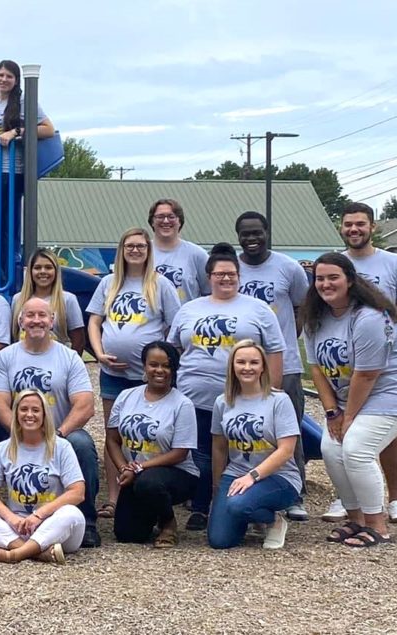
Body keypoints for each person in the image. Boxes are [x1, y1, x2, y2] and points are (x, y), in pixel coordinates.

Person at [303, 253, 397, 547]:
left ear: (349, 280)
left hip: (394, 390)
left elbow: (367, 374)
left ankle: (377, 525)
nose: (325, 284)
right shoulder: (314, 317)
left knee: (356, 447)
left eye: (333, 277)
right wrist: (332, 413)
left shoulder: (370, 316)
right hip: (351, 395)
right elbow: (316, 369)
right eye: (320, 278)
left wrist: (348, 418)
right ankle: (355, 518)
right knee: (330, 448)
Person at [167, 243, 284, 532]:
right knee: (202, 455)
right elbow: (174, 349)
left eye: (231, 273)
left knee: (241, 452)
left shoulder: (258, 309)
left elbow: (274, 352)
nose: (226, 278)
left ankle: (249, 506)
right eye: (219, 274)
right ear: (209, 277)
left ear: (239, 276)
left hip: (242, 399)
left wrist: (271, 392)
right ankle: (201, 506)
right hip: (195, 397)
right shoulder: (189, 309)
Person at [0, 295, 101, 548]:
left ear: (52, 321)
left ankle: (87, 521)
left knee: (82, 444)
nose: (36, 320)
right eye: (30, 315)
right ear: (20, 321)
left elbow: (85, 405)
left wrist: (56, 436)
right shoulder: (5, 357)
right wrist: (23, 436)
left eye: (42, 315)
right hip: (18, 432)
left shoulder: (69, 357)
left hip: (61, 433)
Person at [86, 229, 181, 514]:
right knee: (114, 434)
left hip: (149, 377)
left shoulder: (161, 284)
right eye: (130, 245)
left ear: (148, 250)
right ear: (121, 249)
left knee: (147, 434)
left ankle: (147, 494)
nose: (135, 250)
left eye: (141, 246)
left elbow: (175, 326)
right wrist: (99, 353)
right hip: (113, 373)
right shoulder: (109, 282)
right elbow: (94, 321)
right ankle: (115, 498)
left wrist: (160, 359)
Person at [337, 202, 397, 524]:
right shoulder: (335, 261)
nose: (354, 229)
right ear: (341, 228)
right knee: (346, 428)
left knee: (386, 435)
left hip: (388, 359)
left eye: (360, 224)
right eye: (348, 224)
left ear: (372, 227)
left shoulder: (394, 263)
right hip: (348, 360)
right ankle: (349, 497)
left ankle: (396, 499)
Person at [234, 210, 311, 520]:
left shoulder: (289, 268)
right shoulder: (231, 268)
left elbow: (302, 305)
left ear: (267, 233)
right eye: (245, 234)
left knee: (288, 429)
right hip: (241, 365)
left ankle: (294, 494)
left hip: (284, 364)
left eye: (257, 232)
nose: (252, 238)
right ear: (238, 237)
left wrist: (290, 336)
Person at [0, 390, 85, 563]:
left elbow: (77, 492)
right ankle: (36, 552)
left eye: (36, 410)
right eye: (24, 409)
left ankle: (14, 554)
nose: (29, 414)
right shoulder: (4, 448)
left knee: (72, 513)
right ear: (16, 413)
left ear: (44, 414)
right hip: (18, 528)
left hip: (54, 527)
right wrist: (11, 518)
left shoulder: (62, 447)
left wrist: (39, 515)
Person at [207, 342, 301, 550]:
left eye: (254, 362)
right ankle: (250, 514)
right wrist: (217, 486)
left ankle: (273, 520)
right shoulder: (223, 402)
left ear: (263, 367)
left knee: (238, 505)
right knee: (219, 540)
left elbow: (286, 450)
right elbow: (219, 447)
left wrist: (252, 477)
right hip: (236, 473)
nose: (247, 367)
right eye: (241, 362)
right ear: (232, 366)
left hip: (279, 476)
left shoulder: (279, 400)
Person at [105, 342, 198, 547]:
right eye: (153, 364)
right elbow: (112, 439)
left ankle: (168, 522)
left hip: (177, 473)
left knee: (148, 483)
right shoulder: (126, 396)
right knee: (127, 534)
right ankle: (154, 511)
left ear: (174, 369)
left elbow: (180, 453)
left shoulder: (183, 404)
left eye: (166, 366)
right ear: (144, 366)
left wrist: (139, 467)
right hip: (136, 474)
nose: (159, 370)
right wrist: (124, 467)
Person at [0, 60, 56, 276]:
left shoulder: (23, 102)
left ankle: (5, 274)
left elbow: (48, 129)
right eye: (0, 75)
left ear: (16, 80)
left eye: (9, 76)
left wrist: (16, 132)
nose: (4, 79)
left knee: (0, 224)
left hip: (8, 171)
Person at [11, 248, 86, 355]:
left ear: (56, 271)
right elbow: (13, 337)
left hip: (57, 361)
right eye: (37, 267)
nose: (43, 271)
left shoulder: (68, 299)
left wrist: (70, 363)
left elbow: (78, 340)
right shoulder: (18, 299)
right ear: (30, 271)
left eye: (48, 267)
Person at [148, 199, 209, 301]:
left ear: (180, 221)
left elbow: (210, 294)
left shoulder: (197, 255)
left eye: (171, 217)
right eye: (160, 217)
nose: (166, 221)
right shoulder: (142, 252)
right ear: (152, 222)